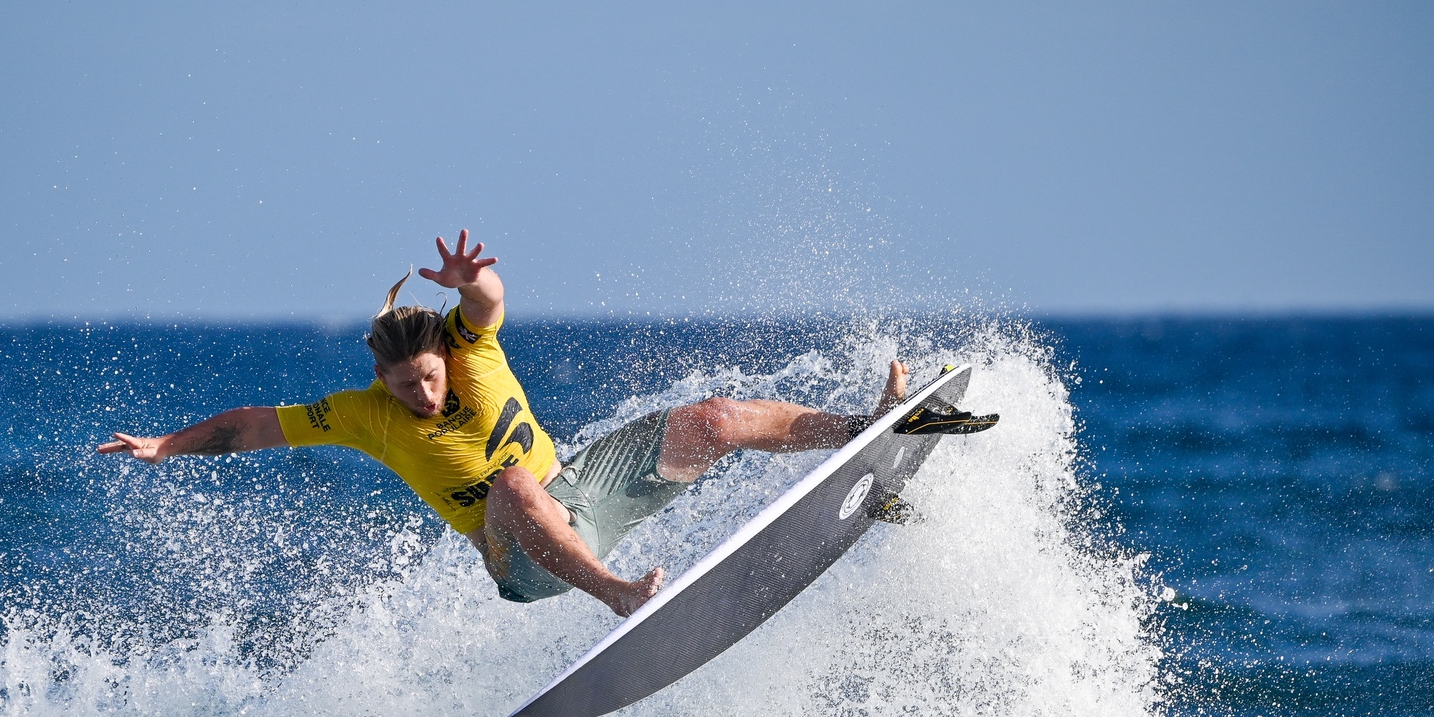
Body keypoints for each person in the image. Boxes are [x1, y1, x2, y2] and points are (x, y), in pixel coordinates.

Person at [98, 230, 911, 617]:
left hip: (583, 492)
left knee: (716, 418)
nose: (422, 394)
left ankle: (861, 428)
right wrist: (168, 444)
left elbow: (487, 301)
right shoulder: (363, 415)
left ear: (443, 356)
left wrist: (469, 279)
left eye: (428, 376)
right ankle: (619, 596)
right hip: (517, 556)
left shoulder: (470, 345)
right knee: (514, 485)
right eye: (405, 386)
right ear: (381, 381)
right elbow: (251, 426)